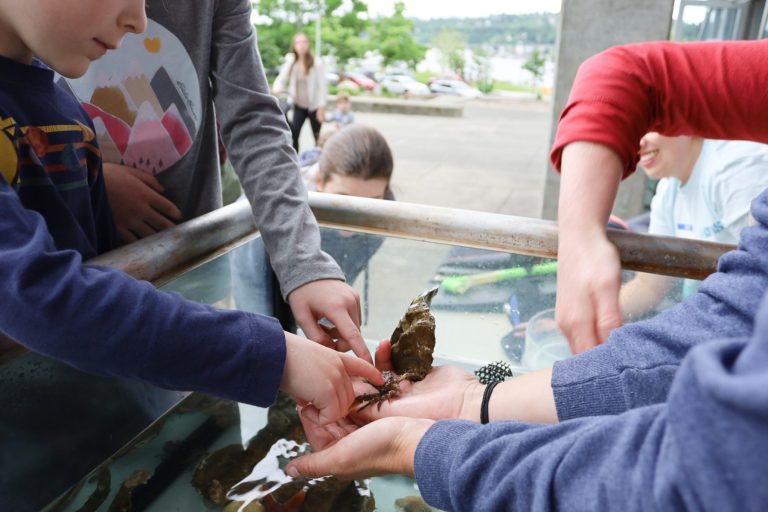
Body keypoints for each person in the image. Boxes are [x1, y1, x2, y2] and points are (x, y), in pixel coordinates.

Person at [283, 40, 768, 511]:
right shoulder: (672, 199)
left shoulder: (735, 171)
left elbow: (685, 476)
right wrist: (580, 237)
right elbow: (625, 75)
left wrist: (421, 445)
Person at [0, 1, 382, 508]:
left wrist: (303, 271)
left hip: (104, 406)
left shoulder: (63, 109)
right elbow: (46, 297)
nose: (138, 19)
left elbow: (99, 284)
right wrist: (276, 356)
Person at [66, 1, 369, 361]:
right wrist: (91, 178)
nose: (138, 20)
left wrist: (304, 265)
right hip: (76, 291)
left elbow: (252, 119)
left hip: (192, 269)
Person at [620, 133, 768, 320]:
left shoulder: (733, 169)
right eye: (634, 130)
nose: (639, 143)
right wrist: (592, 316)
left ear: (684, 119)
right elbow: (650, 285)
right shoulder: (668, 188)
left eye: (650, 126)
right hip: (708, 315)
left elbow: (760, 270)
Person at [273, 32, 327, 152]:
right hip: (298, 106)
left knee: (317, 136)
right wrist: (277, 88)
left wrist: (322, 107)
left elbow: (322, 86)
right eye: (298, 42)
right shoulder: (291, 62)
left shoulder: (316, 62)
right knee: (294, 134)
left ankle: (318, 161)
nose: (301, 45)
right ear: (294, 46)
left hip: (314, 106)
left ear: (308, 44)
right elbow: (281, 79)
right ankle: (296, 161)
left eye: (304, 42)